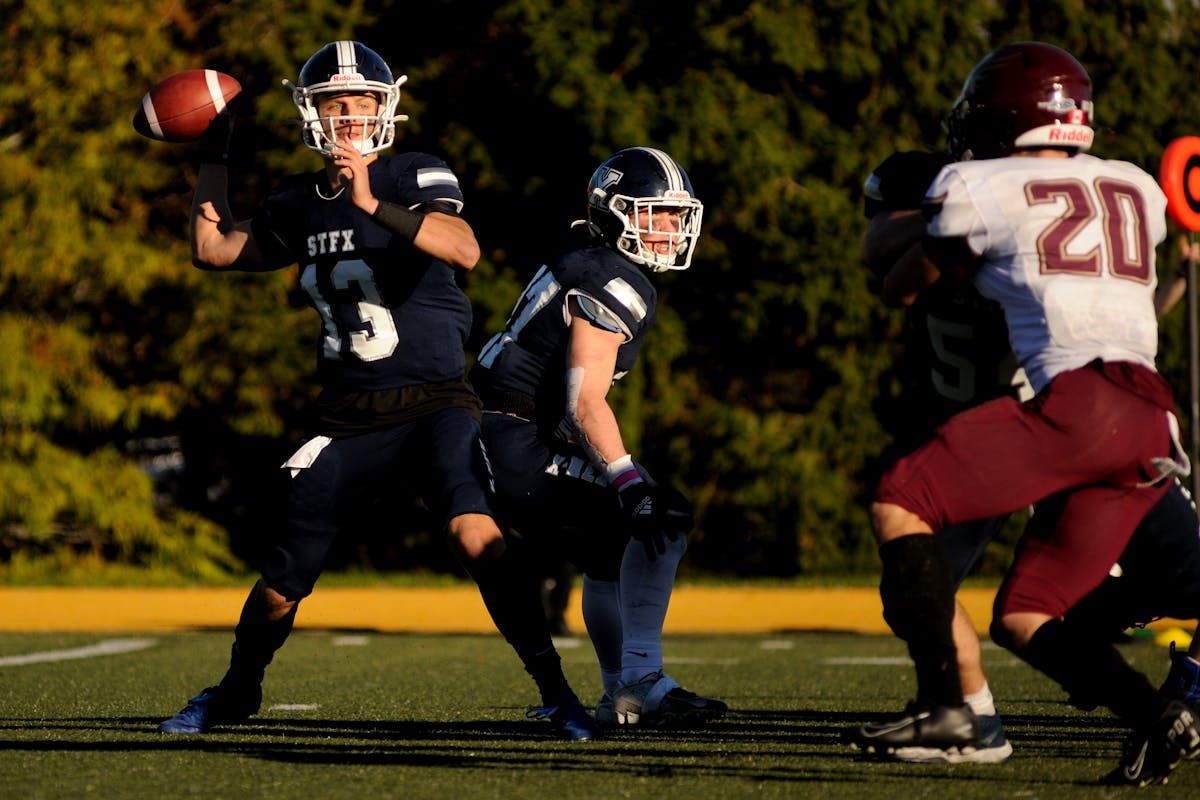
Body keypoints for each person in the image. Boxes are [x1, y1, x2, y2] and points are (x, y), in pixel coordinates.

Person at [157, 40, 595, 740]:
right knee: (282, 581)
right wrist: (216, 156)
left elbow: (465, 248)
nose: (351, 119)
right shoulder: (297, 203)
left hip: (434, 401)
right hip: (350, 416)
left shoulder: (413, 173)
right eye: (337, 106)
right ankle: (236, 690)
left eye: (362, 105)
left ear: (385, 110)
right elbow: (213, 250)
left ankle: (557, 693)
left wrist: (370, 199)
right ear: (314, 116)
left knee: (475, 533)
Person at [847, 42, 1200, 786]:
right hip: (1149, 416)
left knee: (898, 499)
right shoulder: (1134, 186)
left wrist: (946, 243)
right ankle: (1157, 718)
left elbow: (900, 278)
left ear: (1002, 115)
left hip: (1070, 403)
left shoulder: (980, 182)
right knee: (1026, 612)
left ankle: (953, 709)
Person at [470, 146, 727, 727]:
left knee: (608, 550)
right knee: (663, 516)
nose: (669, 229)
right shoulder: (612, 278)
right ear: (613, 212)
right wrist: (627, 478)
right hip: (518, 437)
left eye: (674, 216)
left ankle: (624, 692)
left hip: (509, 430)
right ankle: (639, 681)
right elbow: (584, 401)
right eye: (653, 214)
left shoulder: (584, 259)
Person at [862, 148, 1023, 764]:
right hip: (986, 435)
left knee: (1045, 613)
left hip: (1010, 434)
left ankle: (975, 720)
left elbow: (890, 273)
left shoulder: (961, 243)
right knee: (916, 592)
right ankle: (973, 717)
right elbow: (885, 263)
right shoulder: (963, 239)